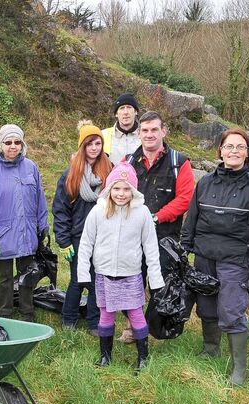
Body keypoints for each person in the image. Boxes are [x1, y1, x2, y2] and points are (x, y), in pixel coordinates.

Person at [181, 128, 249, 386]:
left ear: (248, 153)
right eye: (229, 146)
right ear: (220, 151)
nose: (234, 151)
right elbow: (192, 220)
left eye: (240, 147)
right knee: (207, 307)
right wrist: (183, 251)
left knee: (231, 310)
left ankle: (239, 369)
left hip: (236, 258)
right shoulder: (206, 182)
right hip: (204, 256)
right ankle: (210, 349)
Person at [77, 163, 164, 372]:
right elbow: (86, 243)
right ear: (109, 188)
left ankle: (143, 358)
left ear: (133, 190)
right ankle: (105, 356)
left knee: (136, 314)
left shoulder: (142, 213)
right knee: (106, 314)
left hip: (130, 275)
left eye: (126, 189)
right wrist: (83, 273)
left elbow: (151, 247)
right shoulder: (98, 211)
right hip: (104, 273)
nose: (121, 193)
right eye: (116, 188)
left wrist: (155, 279)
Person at [118, 111, 194, 344]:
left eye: (154, 130)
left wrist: (157, 217)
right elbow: (116, 191)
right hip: (132, 235)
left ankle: (158, 327)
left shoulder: (179, 162)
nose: (149, 134)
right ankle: (132, 326)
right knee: (131, 281)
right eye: (145, 130)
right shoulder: (128, 162)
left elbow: (185, 199)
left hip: (165, 236)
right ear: (139, 133)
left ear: (164, 132)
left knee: (161, 282)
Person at [0, 124, 49, 322]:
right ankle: (6, 314)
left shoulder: (31, 167)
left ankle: (27, 313)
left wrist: (43, 226)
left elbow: (40, 198)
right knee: (5, 278)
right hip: (2, 234)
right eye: (8, 142)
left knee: (27, 275)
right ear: (1, 145)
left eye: (17, 142)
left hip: (27, 232)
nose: (13, 146)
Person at [52, 121, 112, 334]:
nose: (94, 148)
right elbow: (60, 210)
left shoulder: (110, 171)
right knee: (78, 279)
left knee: (98, 280)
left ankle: (95, 322)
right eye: (89, 144)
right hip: (78, 236)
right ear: (82, 147)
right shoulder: (71, 175)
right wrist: (64, 241)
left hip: (103, 236)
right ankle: (69, 319)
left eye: (97, 143)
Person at [101, 93, 141, 165]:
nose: (126, 112)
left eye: (129, 107)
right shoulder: (102, 135)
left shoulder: (145, 135)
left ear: (136, 111)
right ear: (116, 114)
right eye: (122, 108)